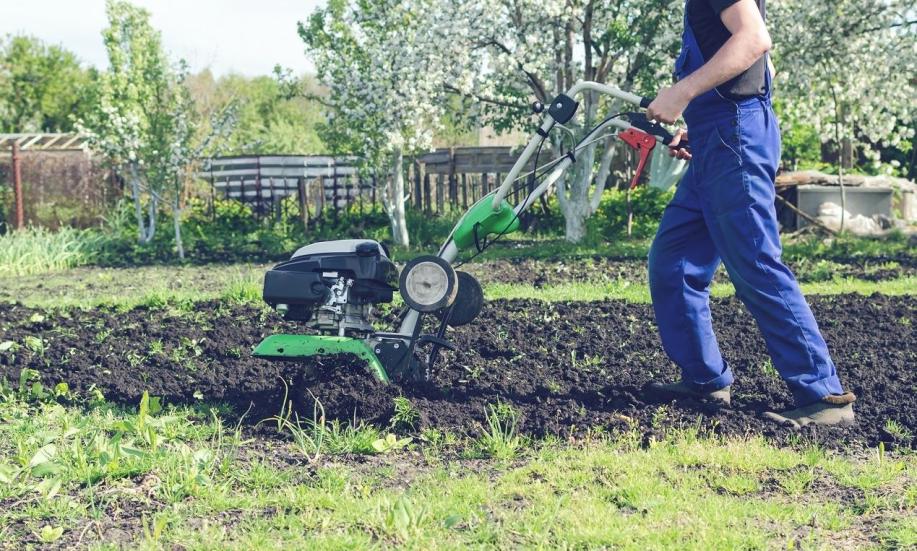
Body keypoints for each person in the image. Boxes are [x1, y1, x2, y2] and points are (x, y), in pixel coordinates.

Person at [643, 0, 855, 427]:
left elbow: (755, 40)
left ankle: (824, 395)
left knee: (755, 260)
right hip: (716, 140)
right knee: (674, 261)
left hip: (734, 139)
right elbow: (763, 70)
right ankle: (705, 379)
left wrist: (682, 92)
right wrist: (697, 124)